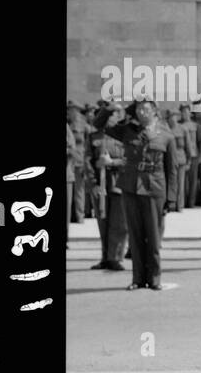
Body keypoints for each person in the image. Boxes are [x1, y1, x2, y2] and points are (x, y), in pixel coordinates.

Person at [95, 97, 176, 289]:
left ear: (155, 111)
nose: (141, 112)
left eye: (145, 109)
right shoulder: (128, 131)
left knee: (153, 236)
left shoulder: (166, 135)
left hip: (154, 188)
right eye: (138, 109)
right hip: (131, 187)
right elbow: (100, 125)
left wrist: (171, 198)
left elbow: (171, 169)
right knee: (135, 234)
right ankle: (138, 279)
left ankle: (154, 278)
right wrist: (109, 109)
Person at [89, 109, 128, 271]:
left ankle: (115, 257)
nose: (116, 117)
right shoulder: (94, 137)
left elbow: (130, 160)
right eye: (112, 114)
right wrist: (94, 183)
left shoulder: (125, 136)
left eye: (117, 114)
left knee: (119, 224)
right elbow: (87, 161)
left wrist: (112, 162)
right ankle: (105, 257)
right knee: (103, 223)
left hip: (119, 183)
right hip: (100, 186)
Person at [67, 102, 89, 224]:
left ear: (77, 111)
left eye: (72, 110)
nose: (70, 112)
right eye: (69, 110)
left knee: (79, 190)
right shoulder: (67, 124)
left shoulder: (84, 125)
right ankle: (70, 216)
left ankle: (79, 215)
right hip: (69, 162)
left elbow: (89, 142)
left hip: (80, 160)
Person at [179, 102, 201, 208]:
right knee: (183, 180)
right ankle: (182, 202)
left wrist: (200, 157)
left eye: (187, 112)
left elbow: (200, 142)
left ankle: (191, 203)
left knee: (193, 180)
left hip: (194, 155)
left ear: (190, 113)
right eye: (183, 112)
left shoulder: (196, 125)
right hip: (182, 155)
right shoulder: (179, 125)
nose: (185, 114)